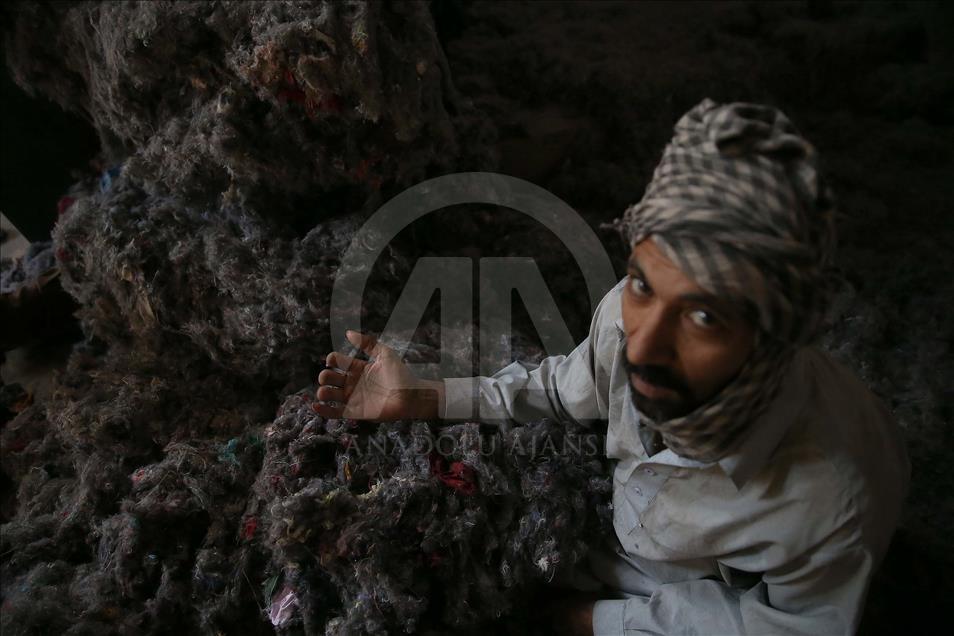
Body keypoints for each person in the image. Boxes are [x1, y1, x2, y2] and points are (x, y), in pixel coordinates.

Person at [314, 99, 910, 635]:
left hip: (687, 594)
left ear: (775, 334)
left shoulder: (827, 502)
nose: (645, 347)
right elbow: (562, 387)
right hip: (623, 536)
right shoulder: (625, 317)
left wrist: (598, 622)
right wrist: (424, 396)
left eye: (703, 317)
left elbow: (783, 629)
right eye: (646, 284)